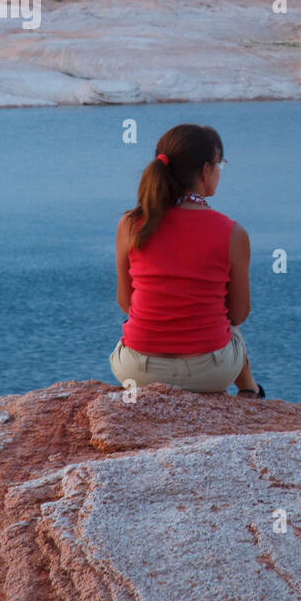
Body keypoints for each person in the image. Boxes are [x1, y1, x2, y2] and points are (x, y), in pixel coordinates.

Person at [110, 123, 264, 397]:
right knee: (233, 329)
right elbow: (238, 314)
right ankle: (250, 391)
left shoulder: (131, 224)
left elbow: (126, 302)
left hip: (137, 370)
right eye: (220, 164)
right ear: (206, 170)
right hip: (210, 373)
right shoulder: (233, 233)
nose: (220, 171)